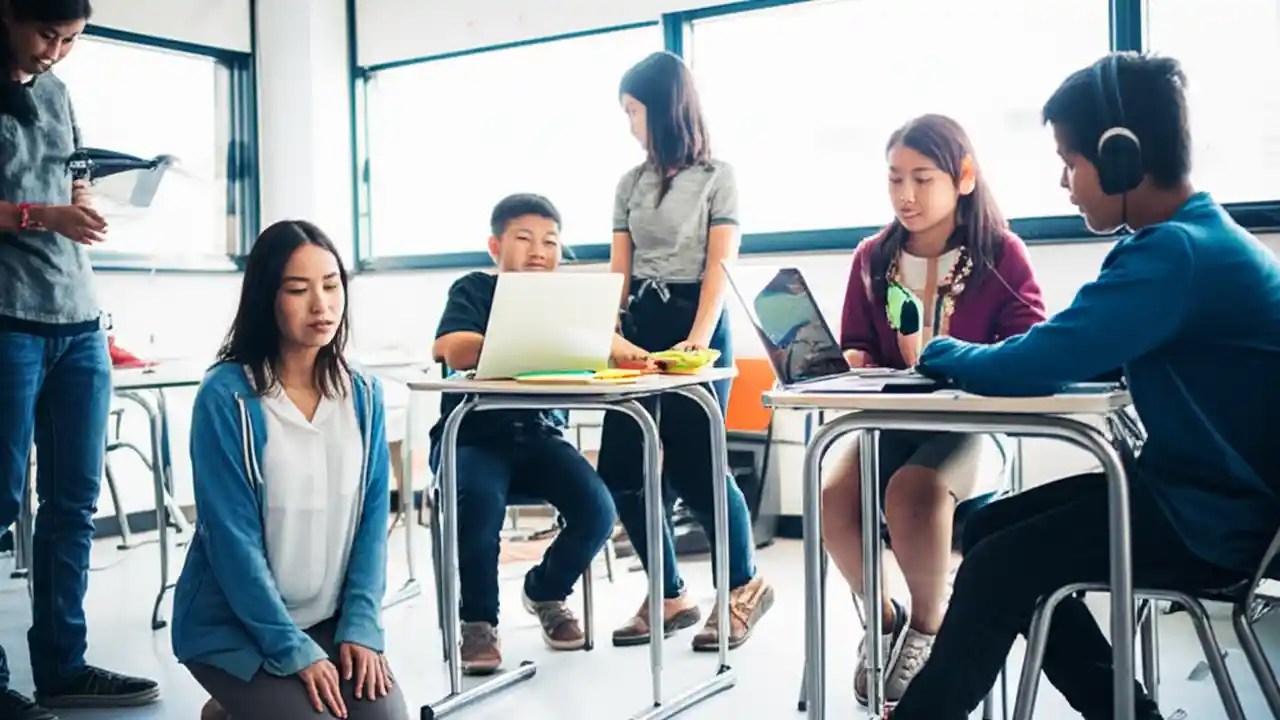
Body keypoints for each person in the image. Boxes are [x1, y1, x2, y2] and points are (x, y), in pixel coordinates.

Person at [890, 52, 1280, 720]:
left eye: (1071, 161)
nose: (1065, 182)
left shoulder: (1173, 253)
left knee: (999, 565)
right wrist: (1032, 355)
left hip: (1211, 522)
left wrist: (939, 352)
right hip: (1213, 502)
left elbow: (1036, 360)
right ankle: (1121, 710)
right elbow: (1084, 350)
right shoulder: (1197, 243)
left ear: (1122, 157)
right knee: (987, 529)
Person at [824, 114, 1045, 705]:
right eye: (895, 179)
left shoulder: (1001, 252)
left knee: (914, 492)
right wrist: (853, 359)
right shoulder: (872, 256)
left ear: (963, 177)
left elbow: (1031, 345)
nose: (906, 195)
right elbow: (858, 343)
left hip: (975, 429)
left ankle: (929, 626)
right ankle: (886, 617)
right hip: (894, 424)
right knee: (835, 495)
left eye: (922, 178)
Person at [171, 221, 409, 720]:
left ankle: (237, 709)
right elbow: (232, 541)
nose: (321, 305)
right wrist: (289, 649)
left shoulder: (363, 393)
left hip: (326, 621)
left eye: (331, 284)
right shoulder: (226, 397)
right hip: (233, 627)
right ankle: (237, 702)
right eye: (298, 290)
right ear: (266, 298)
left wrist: (361, 625)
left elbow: (371, 523)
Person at [0, 2, 159, 718]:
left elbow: (67, 178)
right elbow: (34, 207)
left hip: (79, 321)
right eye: (45, 35)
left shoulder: (58, 93)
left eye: (70, 41)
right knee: (0, 502)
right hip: (7, 320)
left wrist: (82, 203)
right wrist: (42, 216)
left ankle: (63, 667)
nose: (57, 52)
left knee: (71, 505)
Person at [599, 50, 773, 651]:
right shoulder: (629, 184)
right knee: (620, 472)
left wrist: (697, 339)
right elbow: (618, 271)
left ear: (664, 108)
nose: (629, 123)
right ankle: (670, 592)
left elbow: (719, 265)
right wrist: (610, 333)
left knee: (696, 467)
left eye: (633, 110)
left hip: (695, 320)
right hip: (639, 323)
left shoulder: (717, 176)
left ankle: (744, 586)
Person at [430, 194, 619, 675]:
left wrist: (651, 356)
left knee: (598, 509)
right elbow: (452, 348)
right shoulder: (473, 289)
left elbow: (612, 346)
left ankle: (545, 591)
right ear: (496, 246)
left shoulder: (563, 301)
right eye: (525, 238)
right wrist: (524, 333)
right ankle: (478, 621)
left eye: (551, 241)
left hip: (539, 437)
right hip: (472, 435)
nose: (540, 250)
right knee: (479, 504)